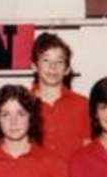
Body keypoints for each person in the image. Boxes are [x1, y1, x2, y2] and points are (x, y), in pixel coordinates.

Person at [30, 32, 90, 164]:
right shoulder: (23, 105)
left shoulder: (83, 105)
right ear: (34, 65)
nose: (53, 66)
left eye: (59, 61)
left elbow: (88, 151)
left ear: (67, 69)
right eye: (46, 60)